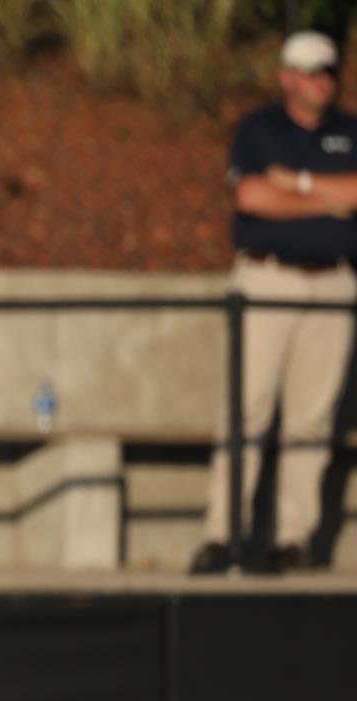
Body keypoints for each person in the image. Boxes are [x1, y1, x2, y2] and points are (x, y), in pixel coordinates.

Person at [190, 29, 357, 575]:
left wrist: (300, 183)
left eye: (327, 71)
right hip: (268, 281)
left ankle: (294, 537)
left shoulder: (348, 131)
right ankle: (223, 533)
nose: (320, 81)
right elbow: (252, 197)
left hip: (334, 282)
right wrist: (330, 198)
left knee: (312, 419)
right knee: (247, 410)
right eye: (309, 72)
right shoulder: (259, 129)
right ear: (287, 76)